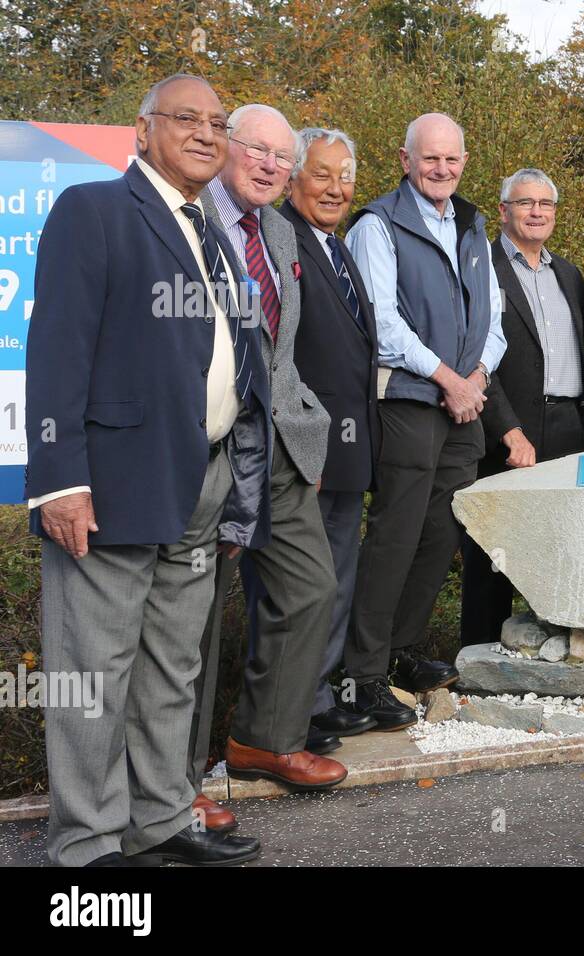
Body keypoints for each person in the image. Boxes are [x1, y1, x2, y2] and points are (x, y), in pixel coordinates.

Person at [26, 73, 269, 865]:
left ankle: (160, 819)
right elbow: (57, 350)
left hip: (202, 477)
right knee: (94, 671)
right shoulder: (95, 212)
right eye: (185, 119)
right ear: (141, 129)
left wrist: (237, 485)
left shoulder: (217, 234)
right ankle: (88, 843)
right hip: (112, 482)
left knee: (173, 663)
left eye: (217, 123)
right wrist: (60, 480)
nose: (205, 133)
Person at [189, 104, 346, 816]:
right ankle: (176, 785)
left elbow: (284, 352)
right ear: (226, 145)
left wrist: (307, 428)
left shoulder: (280, 230)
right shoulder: (188, 217)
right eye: (256, 148)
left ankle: (263, 740)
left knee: (310, 588)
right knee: (190, 617)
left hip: (280, 448)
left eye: (282, 159)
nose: (268, 165)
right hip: (206, 448)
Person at [344, 112, 505, 727]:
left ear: (464, 163)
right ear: (405, 159)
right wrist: (448, 379)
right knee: (395, 538)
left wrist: (477, 381)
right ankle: (362, 675)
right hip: (410, 404)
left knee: (441, 537)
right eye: (429, 158)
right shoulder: (378, 226)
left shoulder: (472, 226)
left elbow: (494, 322)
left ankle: (403, 652)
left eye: (452, 160)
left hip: (465, 407)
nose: (442, 169)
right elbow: (381, 325)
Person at [460, 168, 584, 646]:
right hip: (508, 432)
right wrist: (508, 429)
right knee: (493, 558)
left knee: (565, 551)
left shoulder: (569, 274)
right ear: (503, 211)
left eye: (545, 204)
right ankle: (478, 661)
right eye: (525, 203)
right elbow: (474, 357)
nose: (536, 212)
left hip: (570, 430)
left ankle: (559, 656)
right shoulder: (480, 268)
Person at [280, 128, 385, 737]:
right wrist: (305, 449)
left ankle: (318, 700)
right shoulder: (279, 241)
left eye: (345, 177)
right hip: (307, 452)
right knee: (299, 590)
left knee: (335, 582)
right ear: (294, 176)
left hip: (348, 451)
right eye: (322, 174)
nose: (336, 188)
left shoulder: (336, 247)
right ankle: (288, 714)